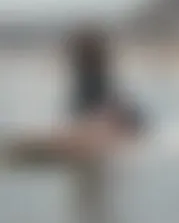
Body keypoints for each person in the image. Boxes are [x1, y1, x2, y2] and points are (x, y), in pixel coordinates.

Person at [3, 25, 145, 165]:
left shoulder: (94, 82)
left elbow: (106, 115)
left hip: (106, 130)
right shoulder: (89, 82)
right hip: (103, 128)